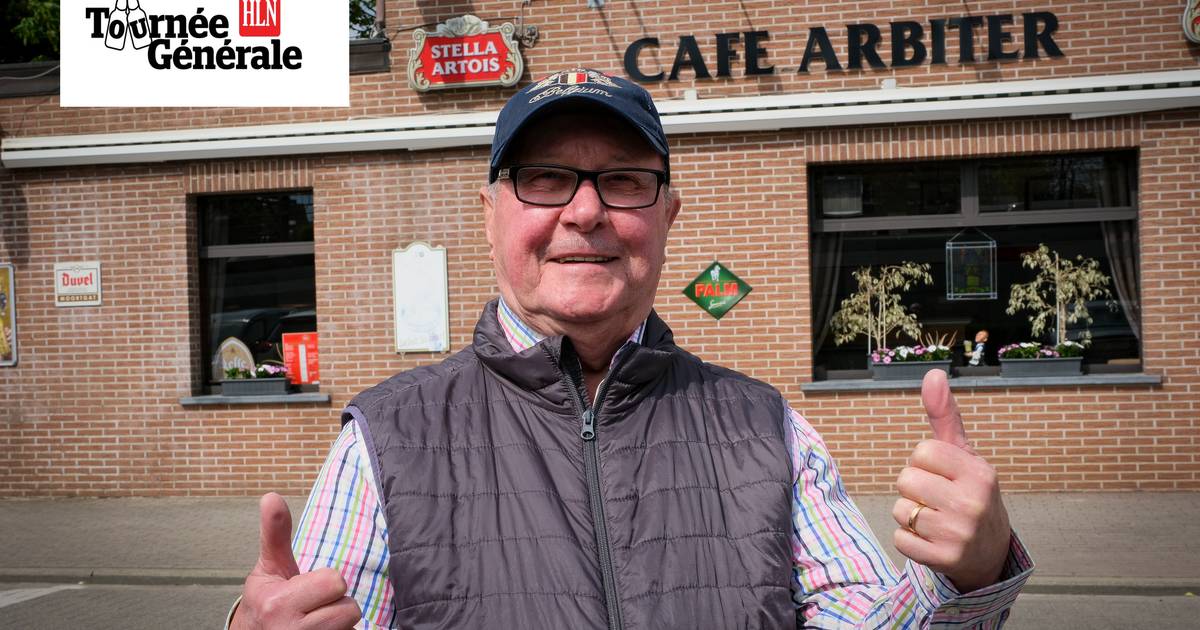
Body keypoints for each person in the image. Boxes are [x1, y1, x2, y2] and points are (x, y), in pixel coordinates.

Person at [228, 68, 1032, 630]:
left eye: (622, 179)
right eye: (545, 178)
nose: (585, 212)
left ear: (667, 214)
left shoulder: (767, 429)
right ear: (490, 214)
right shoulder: (385, 438)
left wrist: (964, 579)